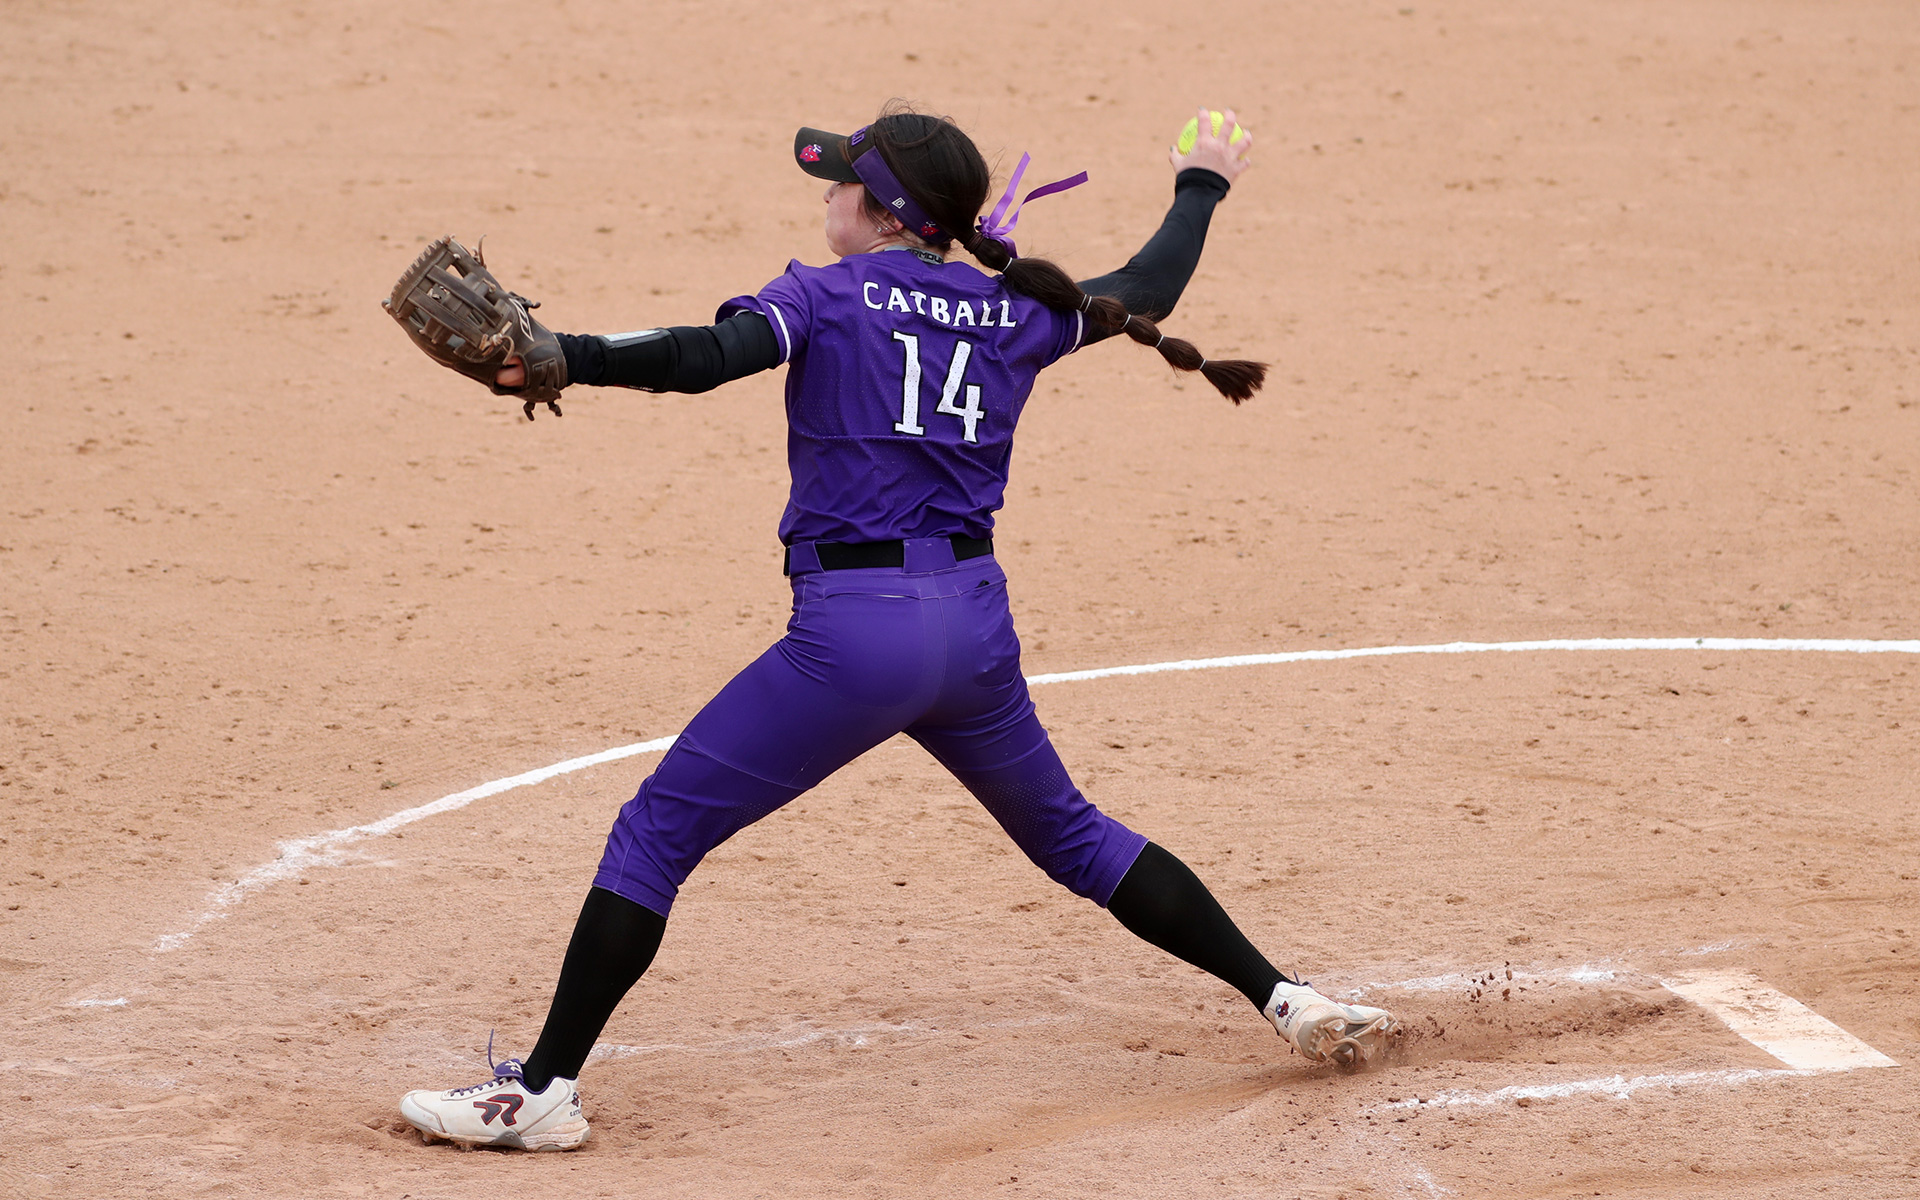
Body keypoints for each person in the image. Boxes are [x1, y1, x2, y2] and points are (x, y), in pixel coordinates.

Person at [397, 104, 1395, 1152]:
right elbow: (1147, 289)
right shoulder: (1016, 311)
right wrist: (1202, 182)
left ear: (880, 213)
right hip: (970, 633)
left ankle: (542, 1093)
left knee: (655, 832)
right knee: (1075, 837)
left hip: (855, 641)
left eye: (839, 183)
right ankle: (1288, 1000)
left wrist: (572, 356)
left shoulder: (824, 298)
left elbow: (704, 354)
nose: (825, 194)